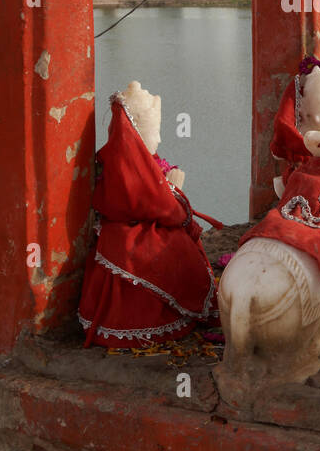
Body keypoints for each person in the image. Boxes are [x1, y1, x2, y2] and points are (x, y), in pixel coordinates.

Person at [78, 86, 218, 348]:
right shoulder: (132, 167)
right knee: (174, 249)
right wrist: (175, 189)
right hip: (132, 234)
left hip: (116, 233)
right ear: (136, 134)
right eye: (154, 132)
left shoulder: (119, 158)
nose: (160, 140)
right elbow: (166, 210)